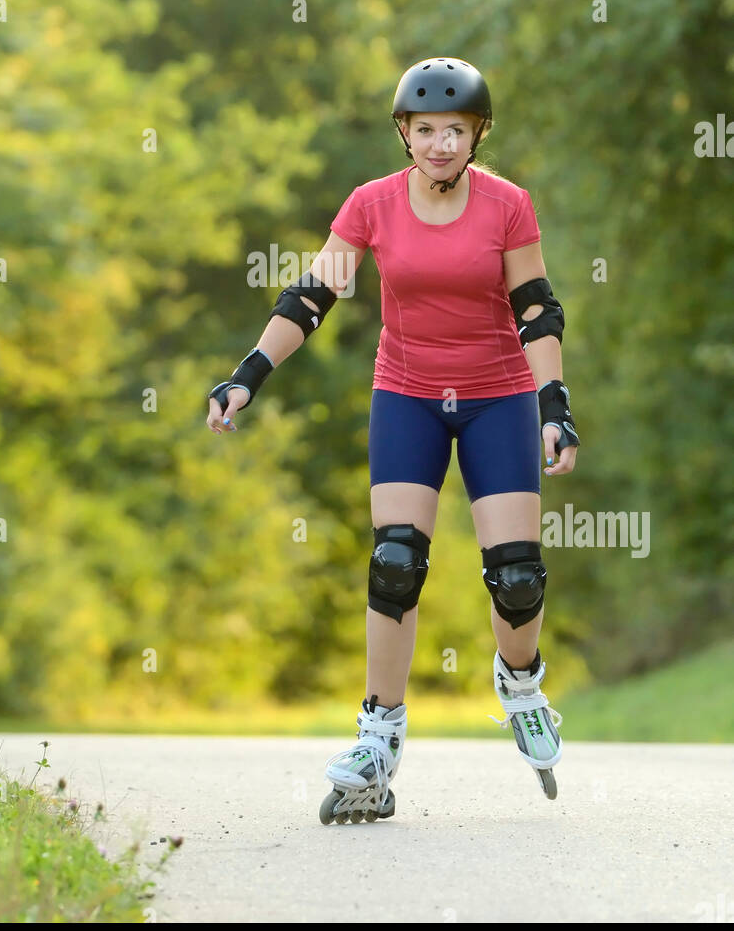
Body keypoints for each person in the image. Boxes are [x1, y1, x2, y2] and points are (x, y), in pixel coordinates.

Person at [206, 57, 580, 823]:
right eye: (426, 130)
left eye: (456, 130)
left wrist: (554, 403)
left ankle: (520, 683)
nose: (440, 143)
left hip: (498, 396)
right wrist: (247, 374)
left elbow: (536, 308)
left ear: (477, 135)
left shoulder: (508, 205)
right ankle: (378, 739)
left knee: (516, 576)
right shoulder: (372, 204)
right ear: (403, 134)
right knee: (396, 561)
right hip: (406, 393)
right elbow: (311, 295)